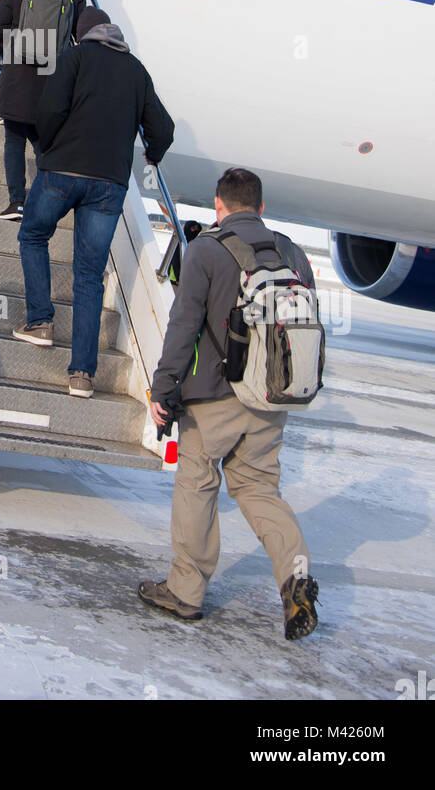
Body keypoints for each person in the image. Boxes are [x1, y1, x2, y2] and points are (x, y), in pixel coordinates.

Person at [138, 167, 320, 641]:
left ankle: (186, 590)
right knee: (260, 490)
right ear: (260, 207)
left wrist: (163, 388)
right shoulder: (292, 252)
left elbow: (183, 325)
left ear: (219, 206)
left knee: (197, 483)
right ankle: (295, 579)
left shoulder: (204, 250)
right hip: (270, 397)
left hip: (213, 398)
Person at [16, 7, 174, 398]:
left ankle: (40, 321)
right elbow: (163, 129)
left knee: (33, 235)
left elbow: (49, 110)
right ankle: (82, 375)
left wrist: (48, 148)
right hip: (108, 185)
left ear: (80, 34)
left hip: (62, 172)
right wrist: (153, 153)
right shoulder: (137, 72)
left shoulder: (75, 57)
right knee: (89, 275)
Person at [0, 0, 87, 220]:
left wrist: (21, 43)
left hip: (18, 77)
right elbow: (82, 37)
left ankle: (16, 202)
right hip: (53, 81)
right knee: (45, 144)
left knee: (14, 140)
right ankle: (45, 205)